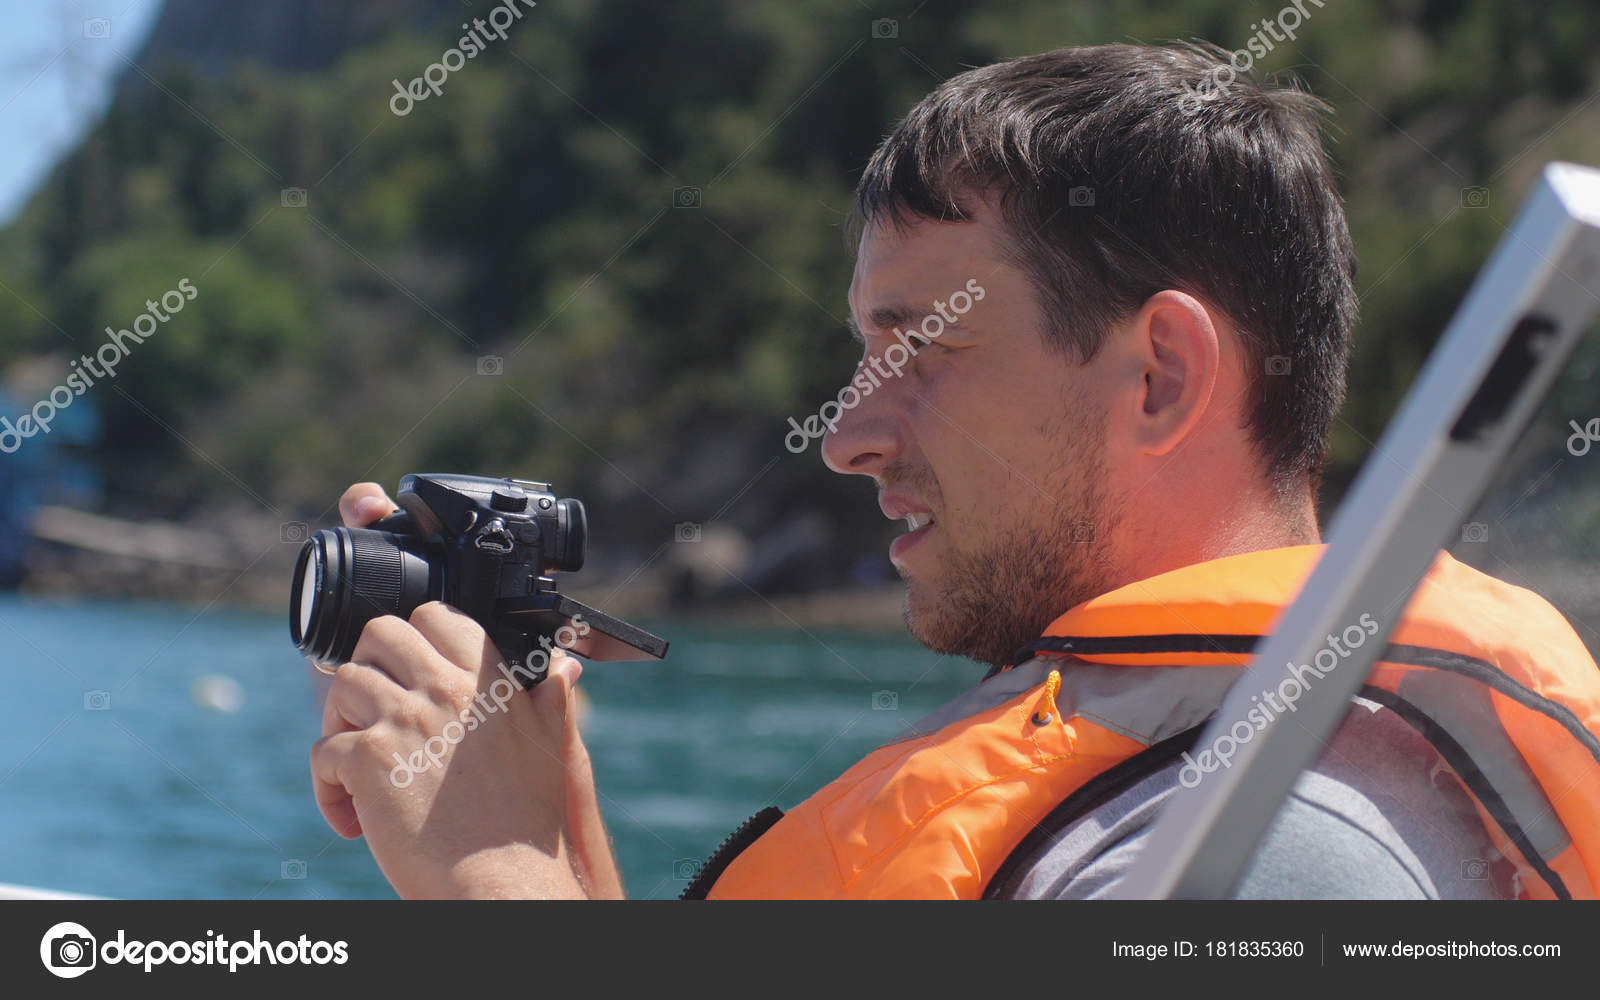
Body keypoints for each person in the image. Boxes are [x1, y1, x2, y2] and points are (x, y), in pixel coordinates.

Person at [309, 43, 1600, 900]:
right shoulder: (1177, 778)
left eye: (920, 347)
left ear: (1159, 375)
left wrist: (491, 878)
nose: (848, 435)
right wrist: (546, 816)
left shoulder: (1277, 848)